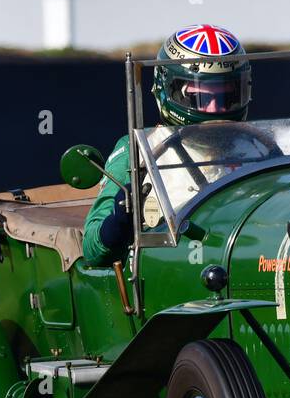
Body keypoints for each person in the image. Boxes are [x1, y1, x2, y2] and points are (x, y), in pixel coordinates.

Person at [82, 24, 278, 267]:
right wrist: (120, 220)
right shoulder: (138, 152)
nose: (214, 109)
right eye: (200, 96)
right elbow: (92, 249)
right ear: (167, 90)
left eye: (227, 96)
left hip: (246, 258)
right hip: (172, 274)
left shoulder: (260, 147)